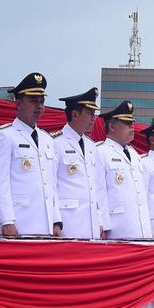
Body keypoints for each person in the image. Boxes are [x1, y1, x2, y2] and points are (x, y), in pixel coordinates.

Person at [0, 72, 61, 237]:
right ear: (19, 103)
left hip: (44, 223)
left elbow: (52, 185)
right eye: (33, 101)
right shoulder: (5, 135)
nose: (39, 106)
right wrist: (7, 221)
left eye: (42, 101)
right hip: (18, 222)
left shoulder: (47, 139)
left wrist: (56, 220)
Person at [52, 88, 105, 239]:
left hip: (91, 222)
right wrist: (55, 220)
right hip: (68, 220)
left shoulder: (91, 146)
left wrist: (100, 220)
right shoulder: (56, 143)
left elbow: (96, 187)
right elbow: (50, 186)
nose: (93, 118)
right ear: (75, 114)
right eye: (89, 113)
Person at [95, 101, 151, 239]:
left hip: (140, 226)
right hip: (117, 227)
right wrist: (100, 222)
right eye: (127, 124)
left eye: (132, 123)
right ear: (112, 126)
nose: (132, 127)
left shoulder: (135, 155)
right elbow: (97, 192)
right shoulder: (100, 152)